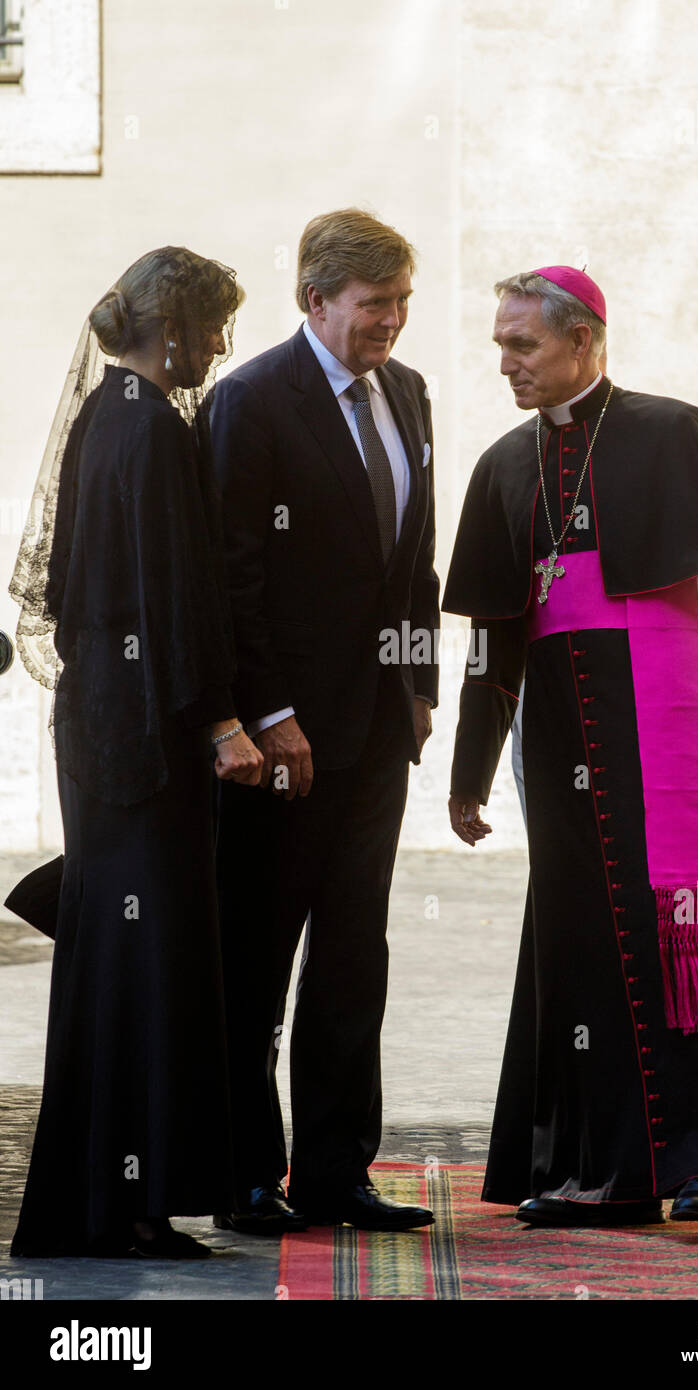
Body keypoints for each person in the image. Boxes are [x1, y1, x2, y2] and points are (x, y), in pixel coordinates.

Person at [444, 265, 698, 1228]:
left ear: (583, 339)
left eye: (523, 344)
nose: (505, 362)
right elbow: (494, 635)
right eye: (500, 344)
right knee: (579, 936)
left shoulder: (669, 430)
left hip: (655, 716)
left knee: (684, 923)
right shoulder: (503, 465)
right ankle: (592, 1163)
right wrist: (469, 773)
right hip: (554, 732)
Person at [8, 247, 262, 1258]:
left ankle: (103, 1201)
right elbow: (175, 599)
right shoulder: (152, 430)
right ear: (171, 329)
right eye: (207, 331)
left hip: (103, 729)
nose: (213, 350)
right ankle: (132, 1205)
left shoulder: (97, 420)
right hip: (148, 741)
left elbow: (76, 591)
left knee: (115, 964)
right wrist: (218, 721)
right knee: (149, 967)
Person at [209, 208, 439, 1234]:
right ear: (316, 301)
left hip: (378, 731)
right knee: (256, 959)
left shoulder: (410, 394)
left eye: (399, 302)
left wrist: (420, 687)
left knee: (356, 956)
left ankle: (337, 1171)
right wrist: (268, 713)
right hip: (283, 743)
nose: (390, 320)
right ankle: (247, 1174)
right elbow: (231, 579)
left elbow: (414, 563)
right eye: (372, 304)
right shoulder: (251, 400)